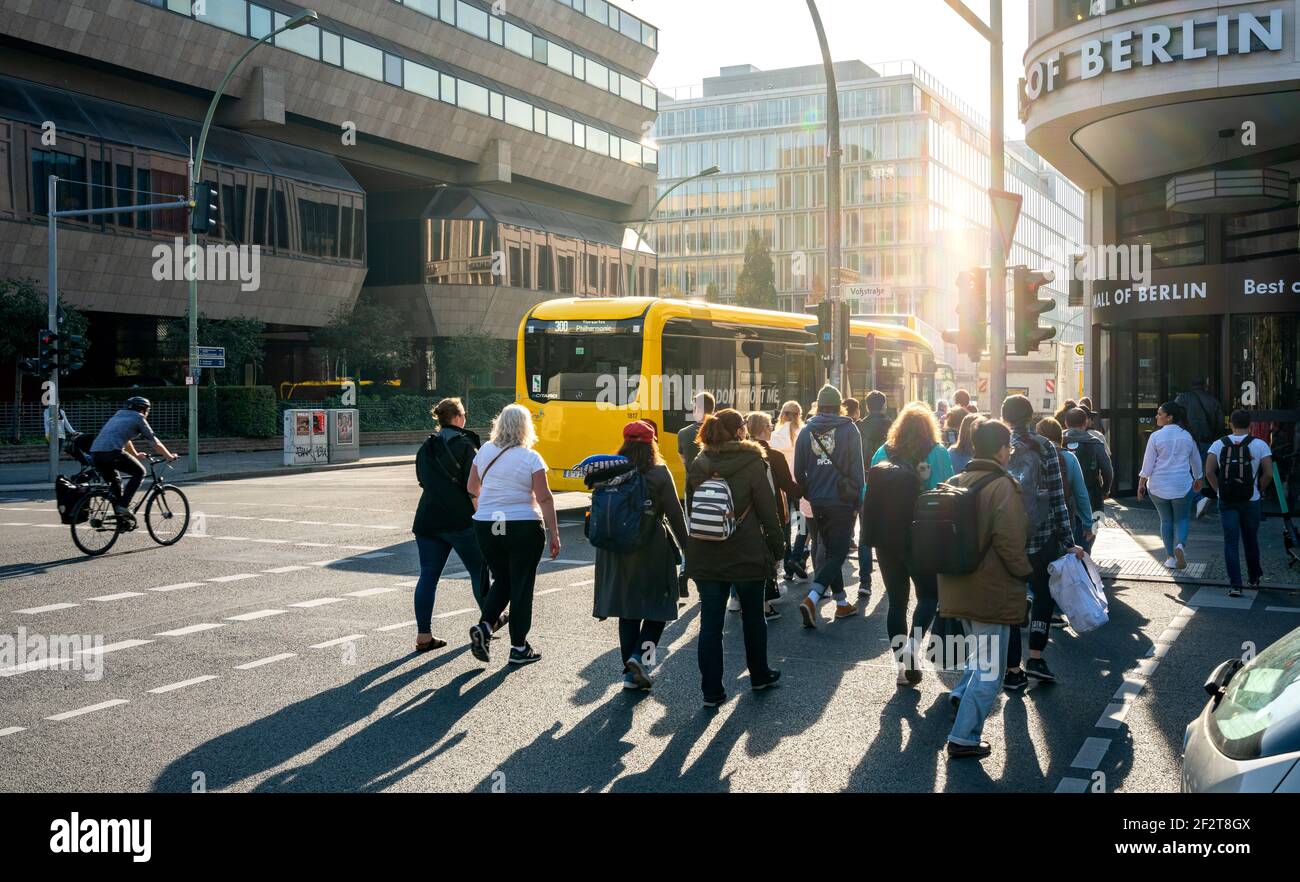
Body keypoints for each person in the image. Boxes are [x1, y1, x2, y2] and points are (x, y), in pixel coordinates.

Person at [940, 420, 1032, 759]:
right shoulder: (1002, 487)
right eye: (1008, 447)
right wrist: (1026, 572)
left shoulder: (955, 480)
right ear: (1000, 449)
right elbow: (1010, 542)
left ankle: (960, 697)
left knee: (979, 659)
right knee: (990, 670)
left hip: (955, 585)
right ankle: (964, 737)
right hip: (990, 589)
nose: (1010, 453)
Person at [685, 409, 784, 707]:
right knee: (753, 617)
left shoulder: (698, 463)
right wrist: (777, 550)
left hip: (706, 553)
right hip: (747, 552)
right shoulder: (754, 462)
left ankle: (711, 692)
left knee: (710, 624)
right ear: (739, 431)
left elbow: (693, 507)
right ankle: (758, 675)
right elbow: (768, 511)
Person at [586, 420, 689, 689]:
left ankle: (630, 675)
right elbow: (676, 515)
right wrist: (690, 550)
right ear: (652, 443)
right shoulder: (658, 472)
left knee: (627, 612)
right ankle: (640, 660)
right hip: (651, 550)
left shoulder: (609, 472)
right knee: (658, 610)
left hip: (614, 553)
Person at [466, 404, 561, 666]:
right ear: (525, 427)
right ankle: (518, 647)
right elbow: (543, 497)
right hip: (523, 525)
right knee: (521, 585)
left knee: (503, 580)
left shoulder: (484, 451)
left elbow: (472, 487)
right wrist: (554, 533)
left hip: (486, 524)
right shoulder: (531, 457)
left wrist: (486, 510)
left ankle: (485, 627)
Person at [869, 402, 956, 685]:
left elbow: (867, 493)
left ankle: (901, 667)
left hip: (887, 537)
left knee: (896, 603)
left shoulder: (883, 452)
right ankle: (913, 647)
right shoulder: (938, 453)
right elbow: (947, 493)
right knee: (928, 596)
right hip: (923, 536)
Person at [1000, 394, 1083, 689]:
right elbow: (1059, 498)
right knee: (1044, 596)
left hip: (1007, 537)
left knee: (1010, 600)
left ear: (1004, 416)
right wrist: (1069, 540)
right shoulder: (1047, 446)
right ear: (1031, 414)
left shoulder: (998, 444)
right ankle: (1035, 656)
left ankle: (1012, 670)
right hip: (1043, 535)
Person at [411, 398, 492, 652]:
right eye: (464, 414)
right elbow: (474, 488)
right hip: (460, 521)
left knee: (428, 575)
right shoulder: (467, 446)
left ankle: (424, 635)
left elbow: (422, 481)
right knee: (479, 572)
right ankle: (487, 625)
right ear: (457, 417)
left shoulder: (427, 446)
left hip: (427, 518)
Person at [793, 385, 866, 626]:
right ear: (839, 407)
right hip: (843, 501)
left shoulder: (806, 431)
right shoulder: (849, 429)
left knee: (831, 550)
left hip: (818, 501)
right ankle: (812, 598)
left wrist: (809, 491)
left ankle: (842, 603)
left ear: (818, 406)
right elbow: (857, 469)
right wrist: (858, 500)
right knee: (839, 553)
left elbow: (798, 471)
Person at [1206, 410, 1273, 598]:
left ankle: (1235, 585)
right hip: (1251, 500)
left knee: (1231, 543)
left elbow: (1209, 472)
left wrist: (1220, 491)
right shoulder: (1260, 445)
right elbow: (1268, 472)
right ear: (1250, 425)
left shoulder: (1218, 444)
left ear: (1231, 424)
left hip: (1227, 500)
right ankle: (1253, 578)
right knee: (1251, 540)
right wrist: (1258, 488)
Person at [88, 397, 178, 522]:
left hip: (95, 454)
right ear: (143, 409)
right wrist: (169, 456)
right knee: (140, 472)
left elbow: (126, 439)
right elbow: (154, 442)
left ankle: (121, 519)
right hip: (112, 452)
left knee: (116, 483)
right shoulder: (138, 417)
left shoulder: (118, 415)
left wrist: (135, 454)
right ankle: (124, 507)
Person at [1137, 401, 1203, 571]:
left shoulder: (1156, 436)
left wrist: (1141, 483)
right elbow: (1195, 460)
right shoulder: (1187, 436)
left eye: (1160, 414)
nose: (1156, 416)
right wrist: (1198, 478)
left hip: (1158, 485)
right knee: (1182, 518)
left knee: (1165, 520)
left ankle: (1169, 558)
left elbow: (1148, 464)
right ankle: (1180, 545)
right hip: (1181, 484)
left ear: (1169, 417)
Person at [747, 411, 800, 620]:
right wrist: (808, 489)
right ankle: (765, 603)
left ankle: (737, 598)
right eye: (769, 426)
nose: (771, 430)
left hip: (746, 512)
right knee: (772, 552)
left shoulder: (741, 453)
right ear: (762, 430)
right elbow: (788, 486)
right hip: (773, 509)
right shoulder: (773, 456)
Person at [1036, 417, 1095, 557]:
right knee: (1062, 563)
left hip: (1036, 520)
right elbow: (1081, 494)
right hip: (1064, 518)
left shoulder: (1032, 456)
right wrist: (1087, 523)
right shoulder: (1068, 457)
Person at [1063, 406, 1113, 551]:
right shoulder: (1095, 443)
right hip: (1092, 495)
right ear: (1085, 423)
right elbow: (1107, 470)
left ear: (1066, 423)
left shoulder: (1059, 441)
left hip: (1064, 496)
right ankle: (1085, 558)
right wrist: (1105, 490)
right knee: (1090, 532)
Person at [855, 390, 892, 581]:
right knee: (890, 526)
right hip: (888, 482)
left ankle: (865, 578)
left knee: (864, 529)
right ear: (884, 405)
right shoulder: (891, 426)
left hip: (864, 481)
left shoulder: (858, 427)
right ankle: (892, 572)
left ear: (867, 406)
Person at [1177, 379, 1225, 518]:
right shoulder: (1213, 401)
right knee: (1203, 472)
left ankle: (1196, 499)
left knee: (1187, 472)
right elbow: (1220, 423)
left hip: (1188, 440)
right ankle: (1204, 497)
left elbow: (1174, 415)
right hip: (1207, 441)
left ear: (1191, 386)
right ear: (1205, 386)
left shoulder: (1183, 399)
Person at [771, 400, 807, 580]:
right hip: (800, 486)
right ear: (799, 416)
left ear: (782, 415)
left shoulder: (774, 435)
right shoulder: (804, 433)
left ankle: (788, 566)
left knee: (785, 527)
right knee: (802, 522)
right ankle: (797, 556)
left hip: (782, 488)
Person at [677, 391, 715, 472]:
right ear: (712, 409)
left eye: (694, 408)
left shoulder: (683, 433)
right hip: (715, 483)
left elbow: (684, 460)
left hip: (692, 482)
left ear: (697, 410)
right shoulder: (721, 431)